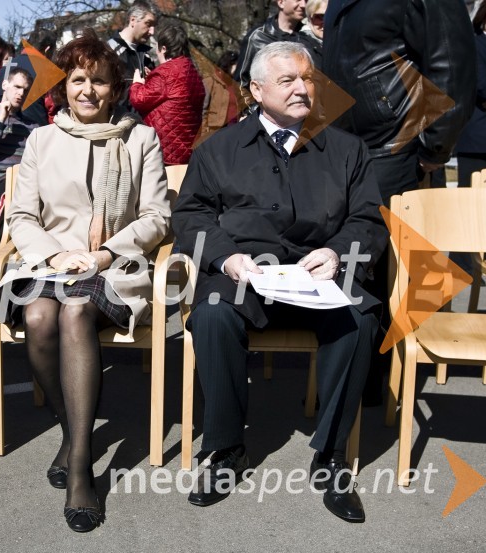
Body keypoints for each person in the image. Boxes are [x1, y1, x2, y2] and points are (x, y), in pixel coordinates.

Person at [172, 42, 387, 523]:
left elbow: (369, 220)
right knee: (210, 314)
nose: (301, 87)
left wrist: (337, 253)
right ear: (255, 90)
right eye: (287, 79)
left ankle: (330, 458)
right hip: (247, 274)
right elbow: (191, 217)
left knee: (360, 319)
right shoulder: (218, 150)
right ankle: (226, 449)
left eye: (308, 79)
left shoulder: (347, 149)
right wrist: (227, 261)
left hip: (319, 275)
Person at [0, 29, 170, 533]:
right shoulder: (41, 139)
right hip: (50, 261)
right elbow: (22, 217)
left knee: (72, 312)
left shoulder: (141, 138)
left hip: (115, 265)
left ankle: (79, 465)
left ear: (114, 88)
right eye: (76, 79)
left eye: (97, 81)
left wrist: (104, 253)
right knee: (38, 313)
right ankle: (73, 432)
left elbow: (157, 216)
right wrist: (58, 253)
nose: (86, 90)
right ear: (63, 87)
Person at [322, 0, 476, 403]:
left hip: (398, 148)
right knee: (353, 264)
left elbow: (453, 70)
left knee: (392, 268)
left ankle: (381, 381)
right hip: (345, 147)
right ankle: (355, 373)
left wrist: (432, 148)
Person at [0, 67, 39, 255]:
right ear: (5, 85)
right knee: (8, 186)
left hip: (26, 184)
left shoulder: (32, 127)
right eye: (17, 87)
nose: (21, 93)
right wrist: (1, 120)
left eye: (25, 90)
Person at [129, 23, 205, 165]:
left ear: (163, 48)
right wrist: (152, 78)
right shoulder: (192, 71)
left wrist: (137, 84)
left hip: (166, 151)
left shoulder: (165, 74)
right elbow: (174, 96)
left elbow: (138, 99)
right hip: (188, 147)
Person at [235, 0, 322, 101]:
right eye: (298, 0)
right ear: (281, 2)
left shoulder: (309, 36)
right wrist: (252, 111)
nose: (303, 5)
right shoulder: (258, 37)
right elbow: (240, 83)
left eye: (306, 0)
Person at [456, 0, 486, 188]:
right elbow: (485, 87)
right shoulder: (472, 45)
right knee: (473, 204)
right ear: (484, 16)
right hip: (480, 143)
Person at [106, 1, 157, 113]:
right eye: (148, 24)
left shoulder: (147, 56)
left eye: (154, 26)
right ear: (133, 20)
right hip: (116, 125)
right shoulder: (108, 51)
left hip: (143, 126)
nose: (152, 31)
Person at [195, 50, 241, 147]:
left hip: (234, 135)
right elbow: (203, 110)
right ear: (229, 64)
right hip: (215, 136)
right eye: (237, 65)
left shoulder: (235, 84)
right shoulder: (210, 81)